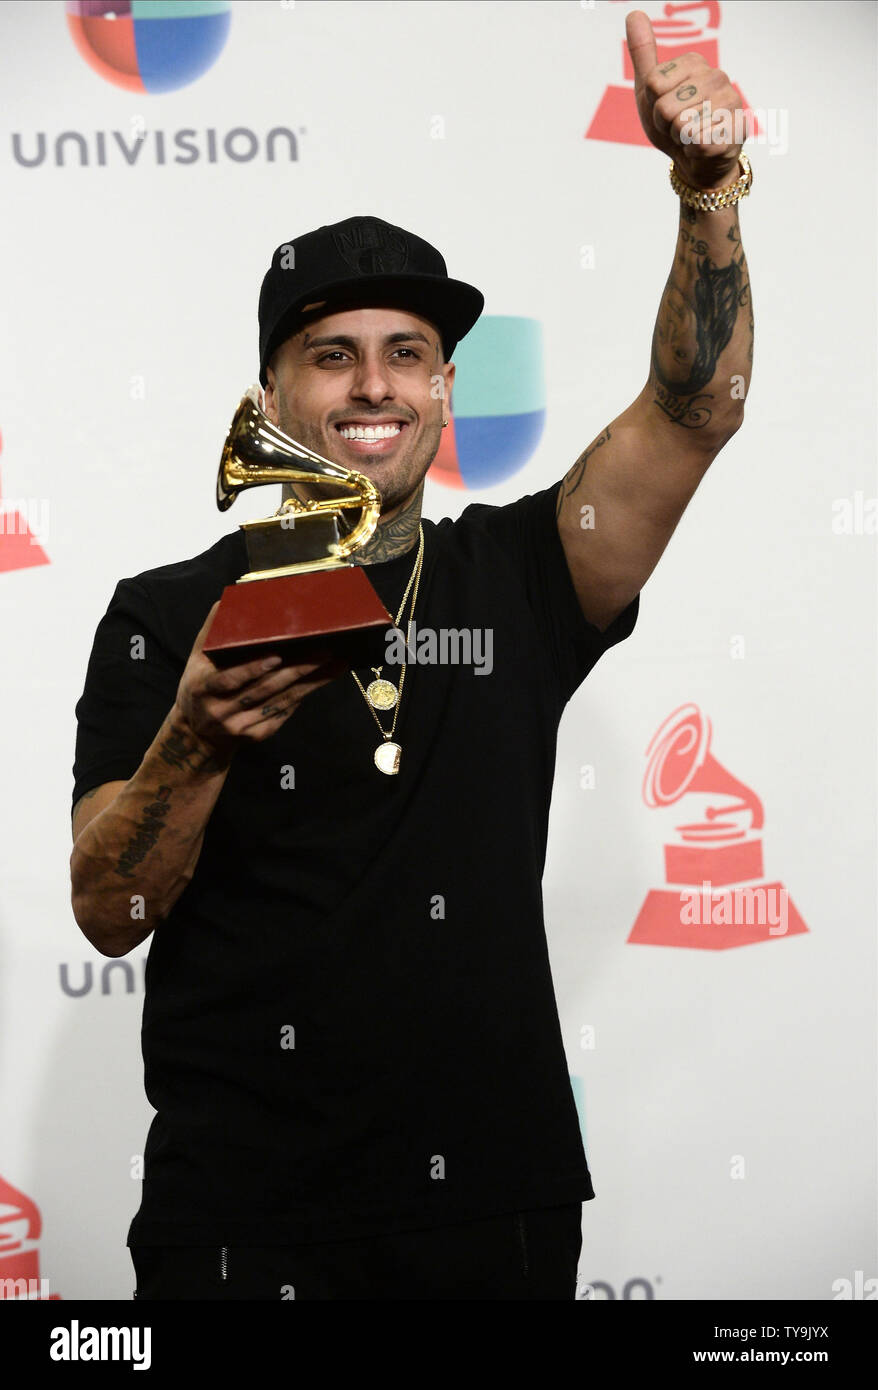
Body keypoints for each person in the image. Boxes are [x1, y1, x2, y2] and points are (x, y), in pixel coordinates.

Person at [69, 13, 753, 1300]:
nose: (370, 385)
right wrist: (195, 744)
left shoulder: (528, 573)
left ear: (443, 388)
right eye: (329, 356)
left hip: (490, 1211)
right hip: (238, 1217)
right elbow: (112, 911)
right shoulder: (163, 613)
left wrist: (705, 189)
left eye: (405, 354)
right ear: (270, 398)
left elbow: (691, 411)